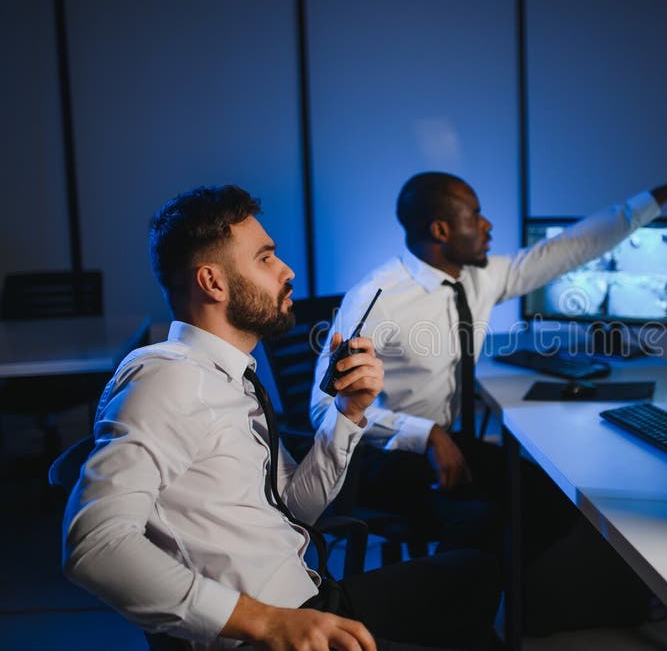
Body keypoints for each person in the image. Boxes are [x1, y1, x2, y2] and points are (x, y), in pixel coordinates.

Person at [62, 185, 500, 651]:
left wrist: (347, 414)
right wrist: (266, 623)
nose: (286, 270)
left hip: (307, 601)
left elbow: (295, 510)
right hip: (266, 633)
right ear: (213, 282)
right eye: (265, 258)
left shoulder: (232, 379)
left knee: (474, 573)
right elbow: (94, 545)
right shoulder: (166, 378)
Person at [309, 158, 667, 633]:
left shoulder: (479, 276)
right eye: (475, 215)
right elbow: (322, 408)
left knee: (549, 498)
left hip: (445, 442)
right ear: (441, 229)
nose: (488, 226)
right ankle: (449, 624)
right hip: (379, 456)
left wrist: (663, 194)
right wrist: (423, 434)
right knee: (478, 518)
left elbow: (568, 247)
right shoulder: (376, 296)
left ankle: (497, 604)